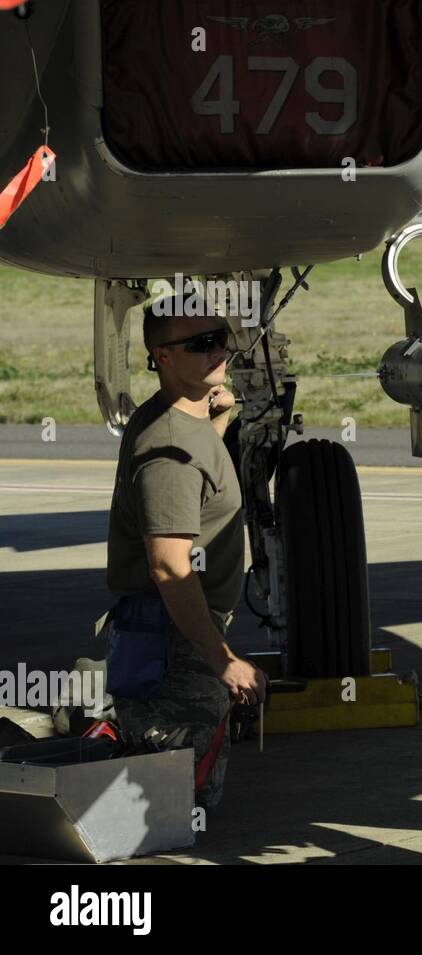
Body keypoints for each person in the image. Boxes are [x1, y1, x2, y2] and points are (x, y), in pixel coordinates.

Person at [105, 296, 266, 807]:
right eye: (200, 344)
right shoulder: (171, 450)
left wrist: (214, 425)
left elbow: (194, 494)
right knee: (172, 808)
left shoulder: (184, 422)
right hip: (175, 652)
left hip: (178, 639)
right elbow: (170, 567)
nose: (218, 351)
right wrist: (223, 662)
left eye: (222, 338)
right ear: (163, 357)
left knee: (180, 801)